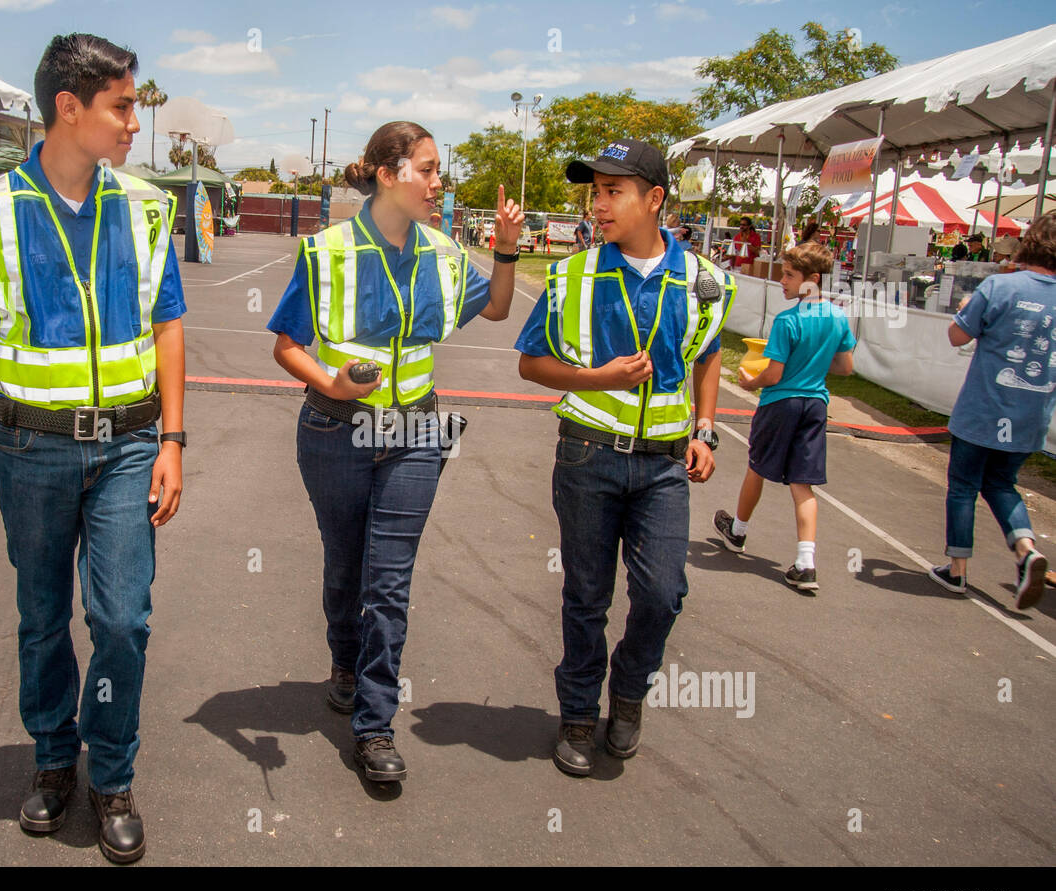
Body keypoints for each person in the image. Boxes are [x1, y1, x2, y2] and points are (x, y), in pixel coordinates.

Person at [0, 33, 186, 863]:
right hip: (30, 451)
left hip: (127, 448)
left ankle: (111, 770)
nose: (134, 125)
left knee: (121, 619)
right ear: (68, 108)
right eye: (122, 107)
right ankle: (52, 760)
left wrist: (174, 440)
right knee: (41, 620)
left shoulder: (147, 208)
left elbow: (167, 325)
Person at [267, 120, 522, 784]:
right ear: (388, 175)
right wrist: (331, 380)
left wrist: (508, 251)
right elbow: (287, 344)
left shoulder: (442, 252)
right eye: (428, 170)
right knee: (346, 565)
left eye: (441, 171)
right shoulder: (324, 252)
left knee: (390, 579)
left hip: (414, 434)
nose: (439, 183)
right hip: (335, 429)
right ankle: (345, 662)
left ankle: (375, 726)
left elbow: (495, 309)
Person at [514, 138, 734, 777]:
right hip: (587, 457)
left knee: (663, 595)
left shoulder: (706, 280)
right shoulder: (571, 274)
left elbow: (709, 352)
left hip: (666, 466)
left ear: (655, 199)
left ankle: (629, 692)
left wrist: (706, 428)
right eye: (594, 192)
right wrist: (599, 378)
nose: (598, 204)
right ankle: (579, 713)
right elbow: (530, 364)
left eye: (613, 191)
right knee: (586, 595)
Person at [931, 212, 1056, 610]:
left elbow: (957, 336)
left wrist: (967, 307)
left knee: (964, 485)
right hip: (1031, 414)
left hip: (985, 409)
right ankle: (1024, 547)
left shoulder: (1000, 285)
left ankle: (958, 569)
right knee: (1002, 483)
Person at [713, 242, 856, 589]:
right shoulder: (837, 317)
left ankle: (739, 530)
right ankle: (806, 562)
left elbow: (774, 375)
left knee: (758, 466)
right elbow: (845, 367)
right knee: (803, 482)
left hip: (781, 403)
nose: (782, 281)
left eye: (789, 275)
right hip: (815, 404)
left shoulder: (787, 321)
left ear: (813, 279)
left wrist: (750, 382)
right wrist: (816, 362)